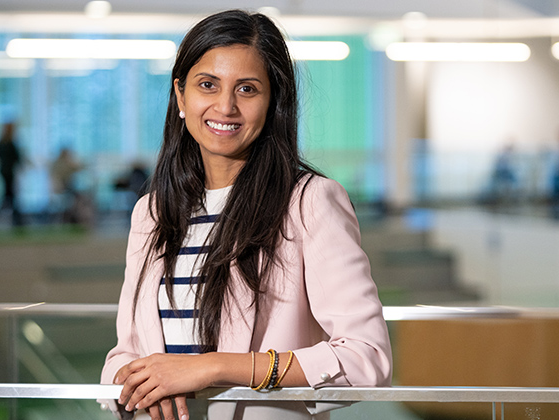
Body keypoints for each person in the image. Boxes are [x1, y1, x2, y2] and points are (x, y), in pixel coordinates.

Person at [101, 10, 392, 420]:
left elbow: (366, 359)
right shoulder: (150, 212)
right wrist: (137, 381)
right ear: (181, 96)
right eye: (207, 85)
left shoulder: (309, 201)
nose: (226, 106)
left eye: (248, 89)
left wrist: (213, 366)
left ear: (273, 101)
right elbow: (125, 353)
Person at [0, 121, 24, 226]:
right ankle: (18, 221)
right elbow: (17, 158)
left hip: (3, 172)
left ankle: (17, 220)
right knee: (10, 196)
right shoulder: (10, 143)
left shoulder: (1, 143)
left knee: (8, 196)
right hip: (9, 173)